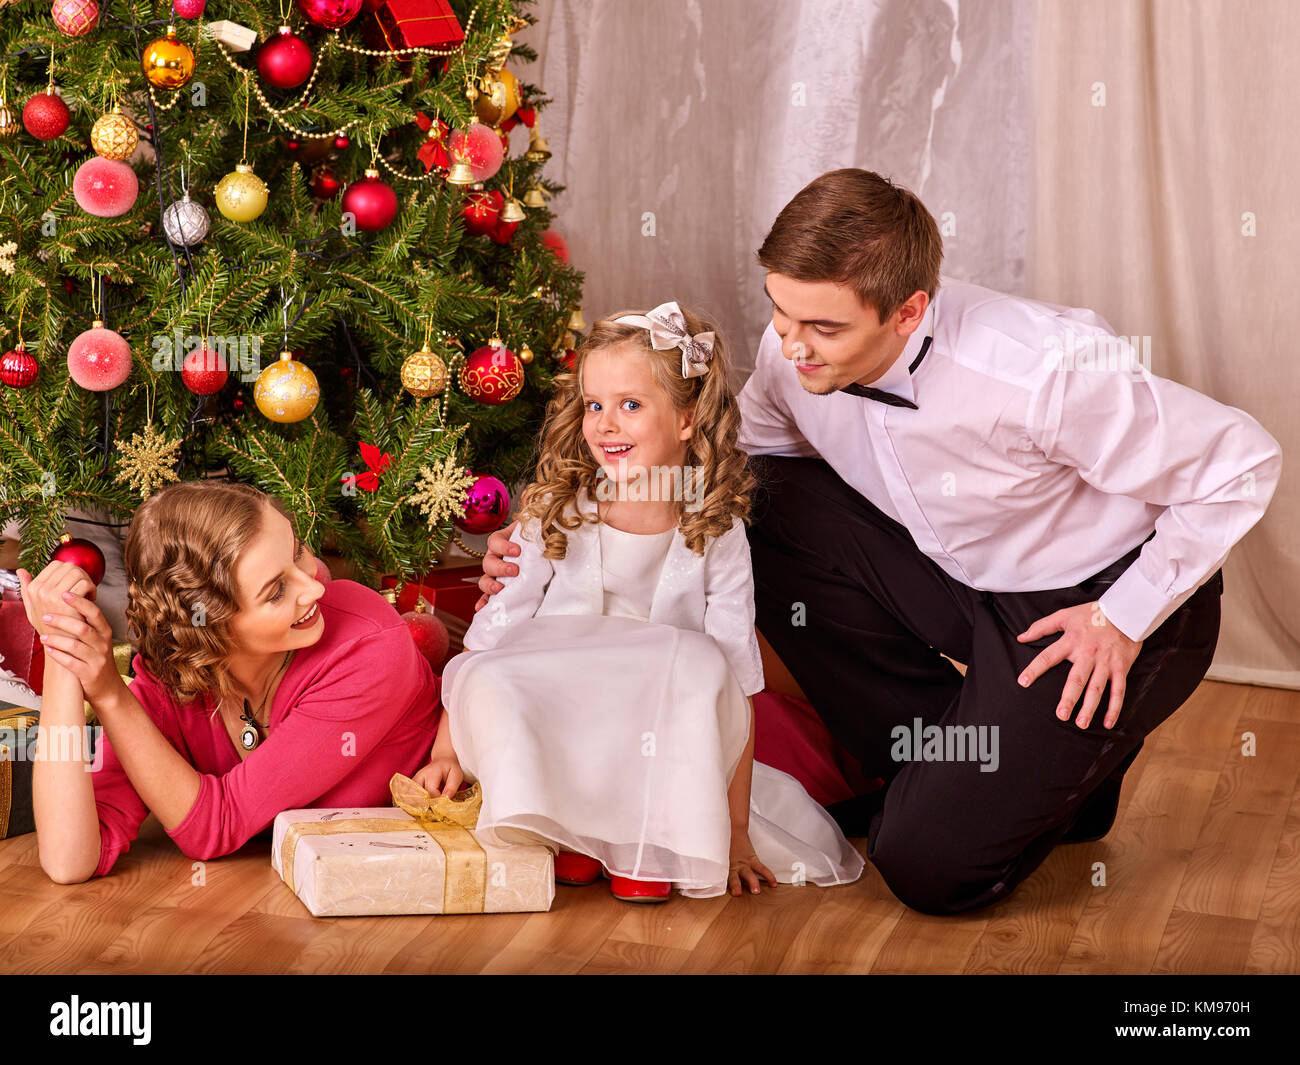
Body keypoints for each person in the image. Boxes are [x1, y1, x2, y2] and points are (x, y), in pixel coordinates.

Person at [478, 169, 1283, 916]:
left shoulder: (1041, 370)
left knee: (926, 868)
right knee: (755, 496)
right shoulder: (793, 351)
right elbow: (706, 476)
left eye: (823, 327)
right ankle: (989, 768)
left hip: (1098, 603)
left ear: (909, 311)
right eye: (780, 311)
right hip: (966, 576)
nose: (792, 346)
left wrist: (1124, 615)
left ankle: (1024, 775)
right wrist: (544, 538)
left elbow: (1243, 461)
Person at [418, 301, 864, 902]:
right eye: (594, 405)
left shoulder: (716, 526)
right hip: (564, 700)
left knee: (702, 664)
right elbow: (491, 634)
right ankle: (568, 826)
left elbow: (735, 689)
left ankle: (649, 839)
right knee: (495, 672)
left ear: (686, 418)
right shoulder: (554, 510)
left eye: (630, 405)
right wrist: (446, 749)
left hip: (654, 717)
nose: (605, 424)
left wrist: (736, 834)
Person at [17, 480, 443, 883]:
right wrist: (62, 649)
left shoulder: (365, 644)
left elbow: (215, 826)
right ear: (210, 626)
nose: (313, 587)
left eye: (297, 552)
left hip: (421, 872)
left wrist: (111, 695)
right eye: (276, 591)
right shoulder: (174, 675)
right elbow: (68, 860)